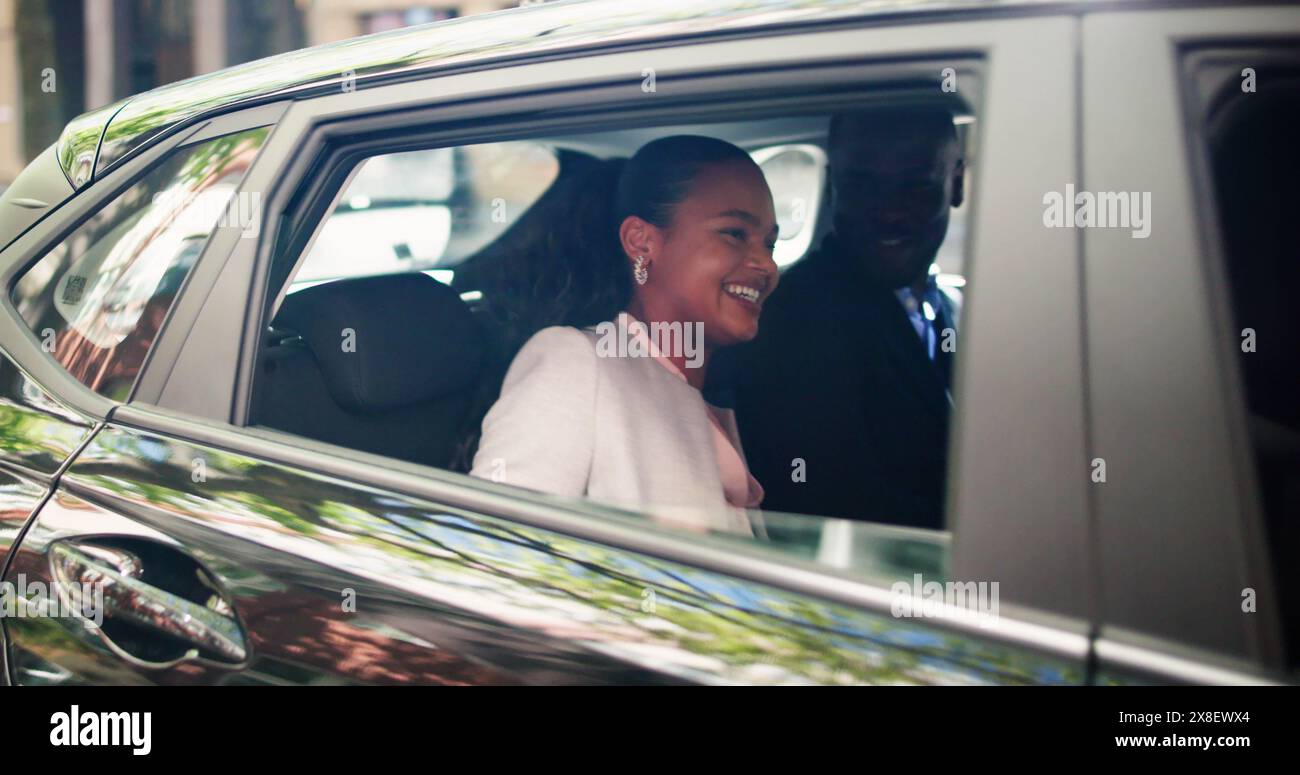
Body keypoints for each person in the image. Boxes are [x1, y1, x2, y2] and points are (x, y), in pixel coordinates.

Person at [471, 135, 780, 534]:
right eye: (734, 233)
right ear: (642, 242)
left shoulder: (705, 391)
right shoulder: (575, 362)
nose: (766, 264)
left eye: (770, 243)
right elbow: (496, 551)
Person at [728, 105, 965, 529]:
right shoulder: (791, 325)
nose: (888, 211)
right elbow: (830, 515)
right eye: (863, 185)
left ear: (957, 183)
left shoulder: (947, 306)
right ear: (834, 186)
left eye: (915, 186)